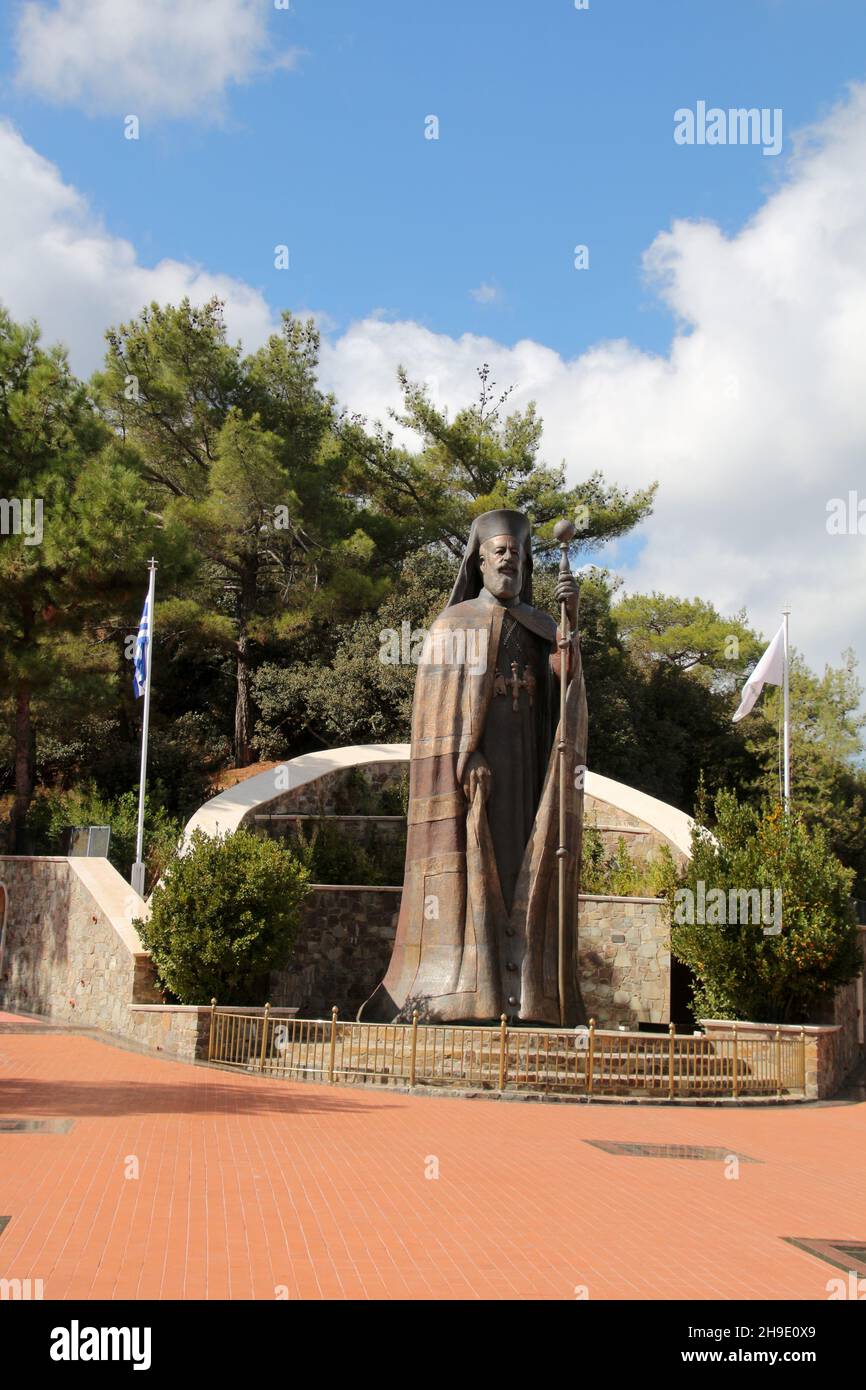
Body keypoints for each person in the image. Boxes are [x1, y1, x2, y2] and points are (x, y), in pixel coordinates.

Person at [360, 509, 588, 1025]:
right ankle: (465, 992)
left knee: (522, 874)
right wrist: (466, 757)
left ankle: (533, 999)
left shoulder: (541, 626)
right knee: (474, 874)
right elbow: (436, 718)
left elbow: (565, 689)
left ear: (527, 563)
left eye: (517, 553)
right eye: (499, 552)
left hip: (529, 780)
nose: (509, 560)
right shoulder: (453, 623)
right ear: (480, 559)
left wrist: (570, 628)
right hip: (478, 784)